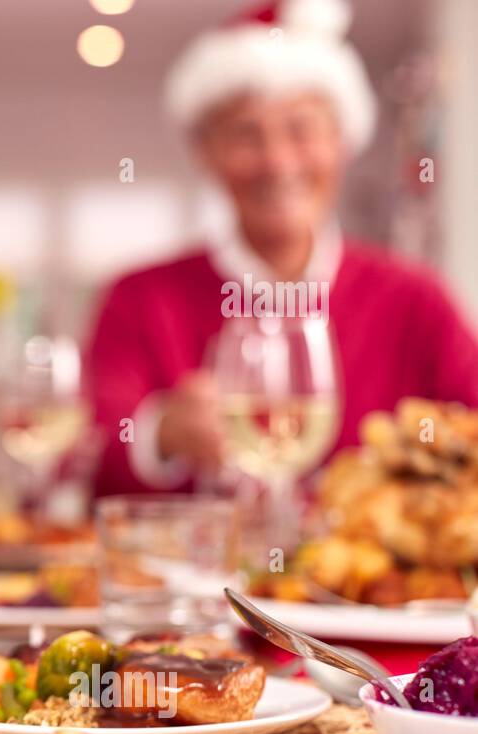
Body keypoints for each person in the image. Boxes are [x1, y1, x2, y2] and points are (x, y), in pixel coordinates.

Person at [88, 0, 478, 497]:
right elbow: (89, 458)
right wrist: (159, 434)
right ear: (205, 153)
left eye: (301, 129)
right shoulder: (138, 300)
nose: (277, 161)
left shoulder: (418, 301)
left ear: (341, 140)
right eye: (247, 134)